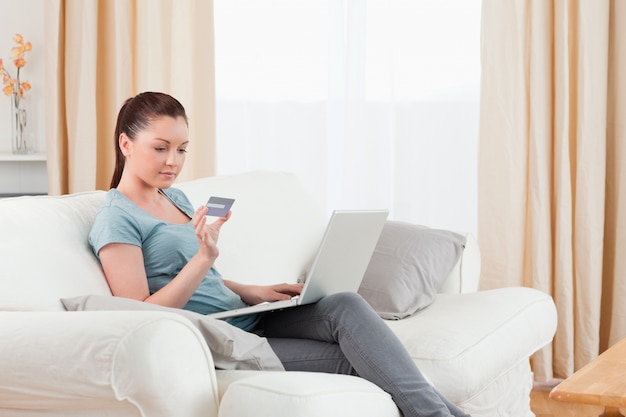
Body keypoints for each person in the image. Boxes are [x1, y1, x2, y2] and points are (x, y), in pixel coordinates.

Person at [89, 91, 471, 417]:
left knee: (345, 305)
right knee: (361, 359)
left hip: (244, 313)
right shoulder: (116, 218)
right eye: (160, 148)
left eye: (182, 149)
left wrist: (251, 290)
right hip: (221, 338)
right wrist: (204, 257)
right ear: (126, 144)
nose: (173, 161)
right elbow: (141, 317)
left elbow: (201, 279)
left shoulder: (175, 197)